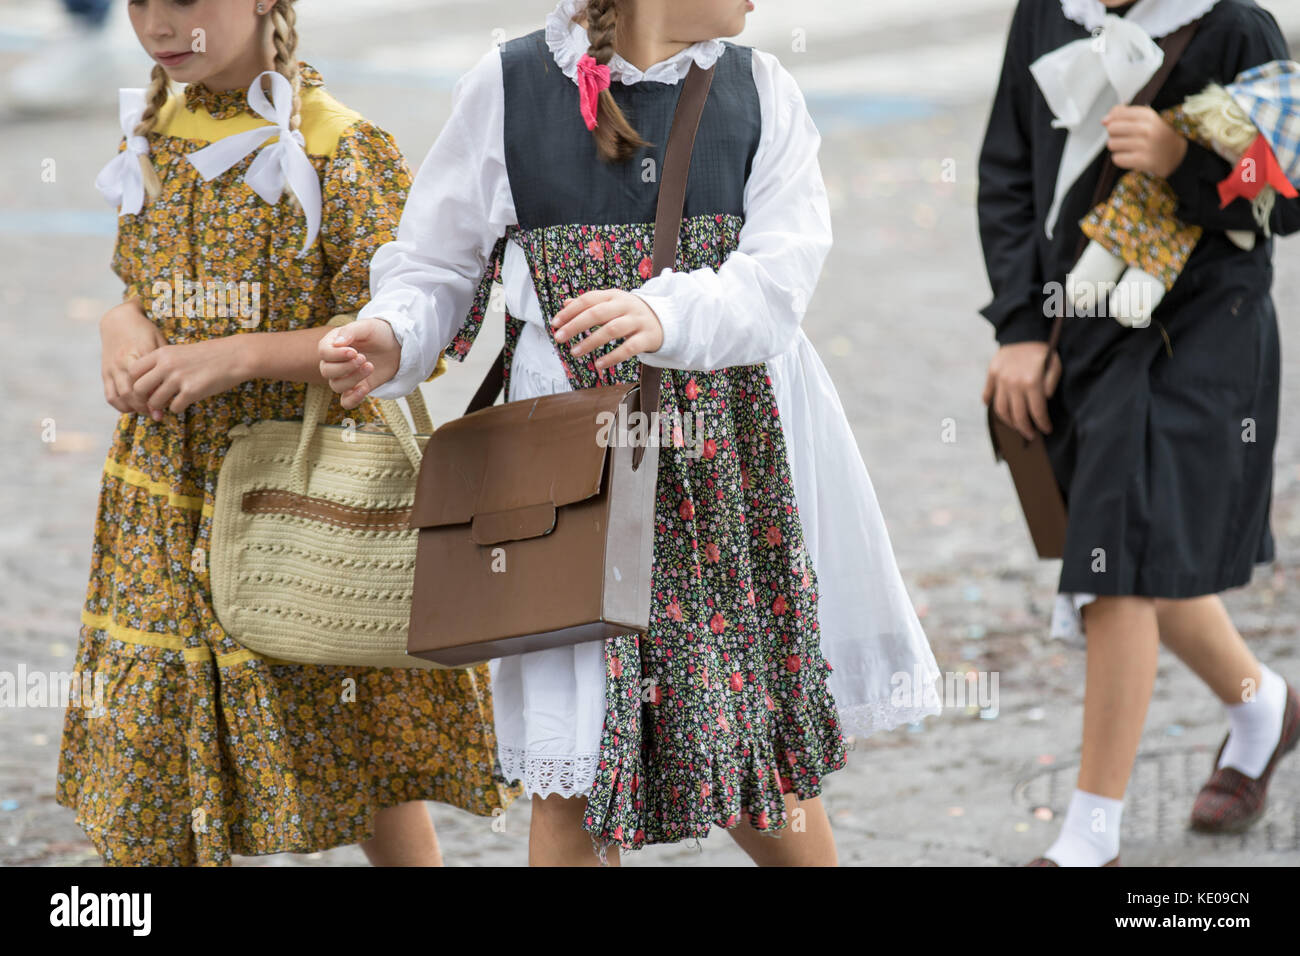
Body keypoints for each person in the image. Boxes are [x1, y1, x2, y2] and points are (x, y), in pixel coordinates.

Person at [320, 0, 941, 866]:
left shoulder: (760, 88)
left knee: (745, 747)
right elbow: (438, 261)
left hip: (719, 470)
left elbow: (779, 282)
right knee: (569, 784)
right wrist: (393, 335)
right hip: (568, 479)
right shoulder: (507, 86)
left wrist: (663, 310)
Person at [60, 0, 515, 866]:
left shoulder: (339, 147)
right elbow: (137, 286)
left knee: (355, 722)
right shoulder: (152, 128)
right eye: (140, 1)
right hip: (166, 496)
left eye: (187, 0)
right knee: (161, 725)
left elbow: (408, 339)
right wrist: (121, 329)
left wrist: (237, 357)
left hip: (300, 494)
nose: (160, 23)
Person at [978, 0, 1299, 867]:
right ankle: (1263, 703)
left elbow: (1289, 189)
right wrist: (1017, 327)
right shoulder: (1047, 10)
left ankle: (1091, 833)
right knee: (1140, 553)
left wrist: (1184, 159)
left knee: (1112, 554)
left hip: (1203, 325)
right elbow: (1008, 168)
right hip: (1080, 322)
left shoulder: (1238, 26)